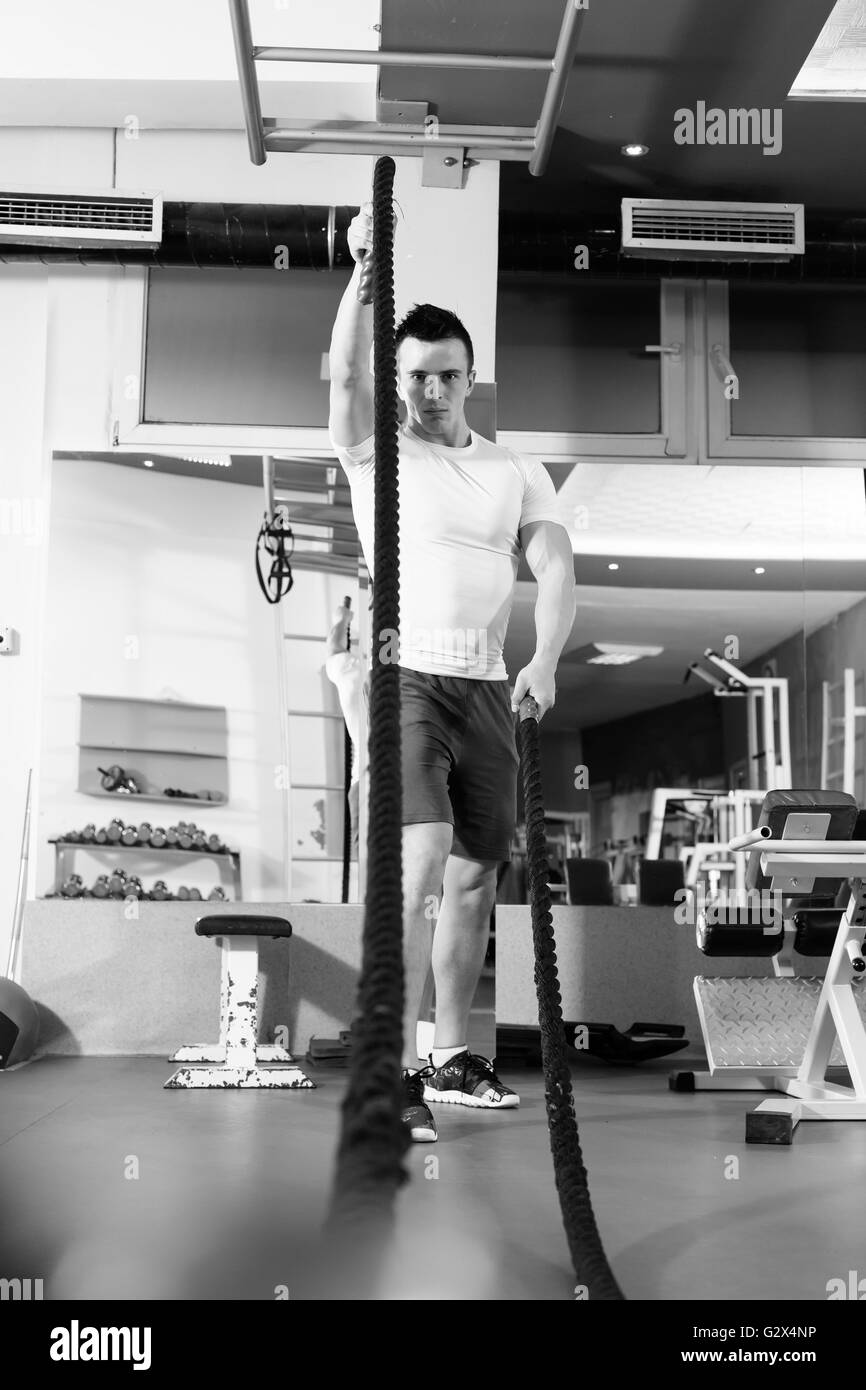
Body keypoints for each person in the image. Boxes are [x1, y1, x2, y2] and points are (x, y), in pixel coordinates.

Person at [328, 203, 576, 1143]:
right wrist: (359, 269)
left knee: (477, 879)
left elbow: (554, 567)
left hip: (485, 688)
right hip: (406, 679)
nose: (431, 392)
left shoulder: (516, 469)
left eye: (447, 376)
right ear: (400, 381)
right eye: (416, 377)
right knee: (419, 868)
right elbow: (344, 375)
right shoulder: (375, 454)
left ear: (472, 378)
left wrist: (546, 659)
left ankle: (450, 1054)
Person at [324, 601, 363, 859]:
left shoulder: (354, 671)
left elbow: (335, 646)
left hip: (365, 781)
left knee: (374, 867)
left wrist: (343, 619)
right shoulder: (416, 675)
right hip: (415, 778)